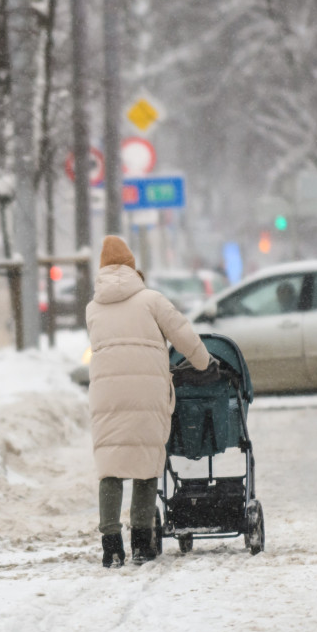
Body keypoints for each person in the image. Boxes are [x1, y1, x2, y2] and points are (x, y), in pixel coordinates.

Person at [86, 236, 211, 567]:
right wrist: (204, 363)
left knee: (110, 466)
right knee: (145, 462)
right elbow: (183, 335)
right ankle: (142, 542)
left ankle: (111, 545)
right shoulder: (152, 300)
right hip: (147, 392)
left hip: (107, 395)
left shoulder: (92, 309)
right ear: (132, 267)